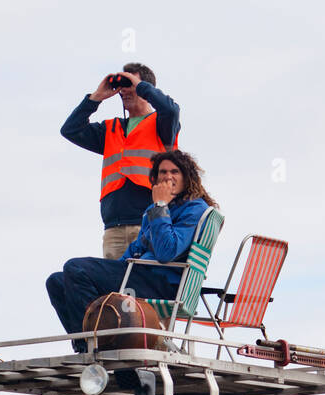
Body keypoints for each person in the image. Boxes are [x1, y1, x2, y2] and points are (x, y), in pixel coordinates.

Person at [46, 150, 217, 352]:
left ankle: (94, 344)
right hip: (138, 273)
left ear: (187, 178)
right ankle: (88, 344)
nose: (167, 177)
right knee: (57, 281)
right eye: (162, 172)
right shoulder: (154, 210)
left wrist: (160, 205)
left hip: (161, 283)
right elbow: (136, 250)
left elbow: (166, 252)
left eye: (175, 172)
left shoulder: (194, 208)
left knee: (75, 267)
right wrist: (107, 274)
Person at [60, 63, 181, 258]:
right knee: (114, 287)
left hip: (149, 221)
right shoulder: (111, 129)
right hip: (113, 228)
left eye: (129, 84)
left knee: (142, 285)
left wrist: (140, 86)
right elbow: (71, 130)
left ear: (145, 88)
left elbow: (171, 110)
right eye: (121, 86)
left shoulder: (161, 123)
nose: (123, 90)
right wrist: (96, 97)